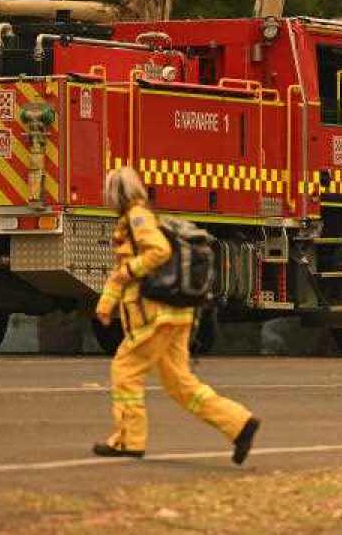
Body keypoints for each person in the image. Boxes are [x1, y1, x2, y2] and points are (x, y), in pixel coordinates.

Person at [93, 166, 260, 464]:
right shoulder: (137, 218)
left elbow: (156, 252)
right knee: (182, 386)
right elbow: (122, 273)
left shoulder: (136, 217)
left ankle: (129, 441)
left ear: (115, 193)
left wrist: (129, 271)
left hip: (156, 317)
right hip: (176, 316)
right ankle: (240, 424)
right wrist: (106, 305)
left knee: (125, 370)